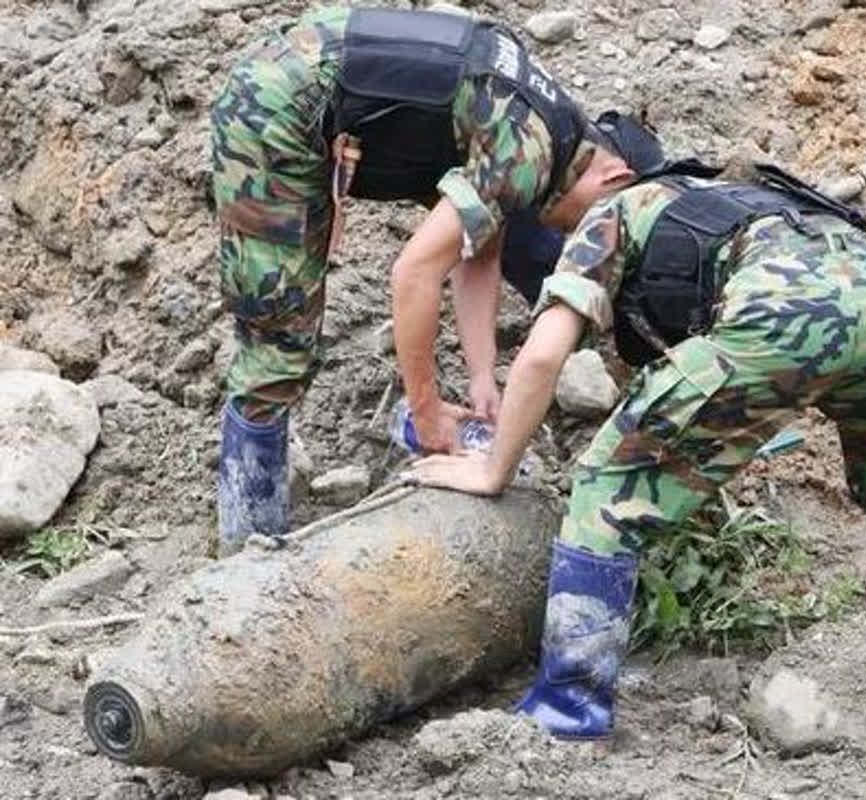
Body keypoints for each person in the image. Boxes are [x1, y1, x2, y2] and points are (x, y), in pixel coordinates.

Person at [411, 163, 866, 739]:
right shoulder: (734, 197)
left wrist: (494, 468)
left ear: (612, 175)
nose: (554, 218)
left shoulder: (612, 214)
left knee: (611, 482)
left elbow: (543, 356)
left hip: (780, 307)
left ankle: (569, 708)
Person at [211, 5, 663, 553]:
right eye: (603, 221)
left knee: (290, 332)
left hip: (312, 73)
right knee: (279, 341)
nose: (587, 236)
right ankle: (245, 544)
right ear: (615, 176)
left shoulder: (550, 127)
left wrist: (482, 379)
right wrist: (425, 411)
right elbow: (413, 273)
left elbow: (480, 252)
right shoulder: (532, 151)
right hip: (275, 105)